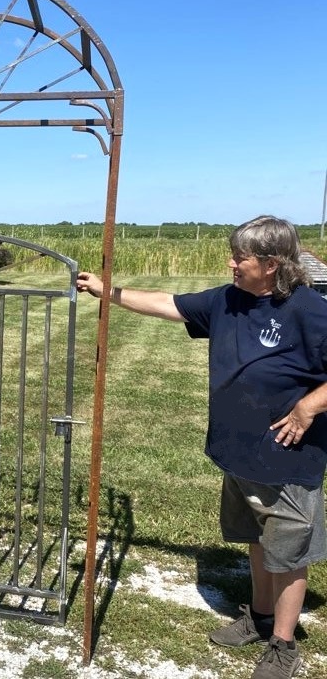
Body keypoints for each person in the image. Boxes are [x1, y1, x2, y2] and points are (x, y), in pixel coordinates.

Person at [77, 215, 327, 679]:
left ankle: (284, 645)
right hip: (239, 453)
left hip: (285, 458)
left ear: (271, 264)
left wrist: (308, 407)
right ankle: (261, 617)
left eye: (240, 257)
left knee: (289, 554)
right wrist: (107, 291)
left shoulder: (310, 310)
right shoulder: (227, 300)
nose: (231, 264)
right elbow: (167, 304)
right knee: (258, 539)